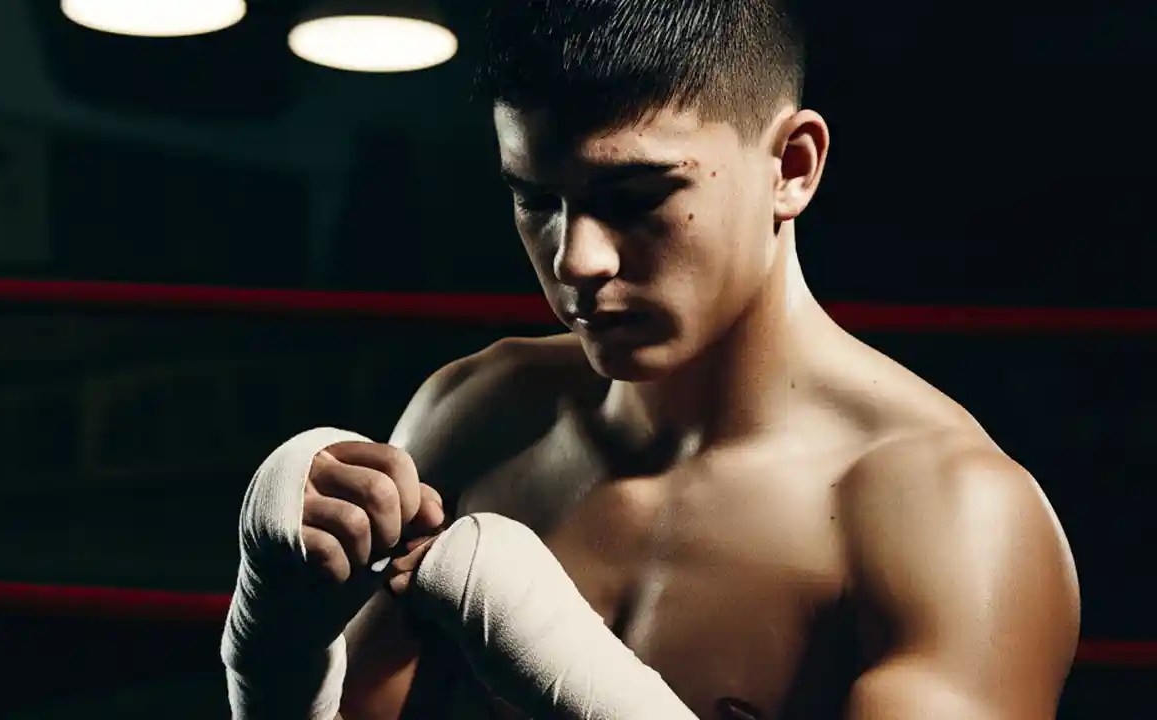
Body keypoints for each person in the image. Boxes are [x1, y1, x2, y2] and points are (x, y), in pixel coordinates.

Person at [221, 1, 1081, 718]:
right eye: (535, 200)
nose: (575, 261)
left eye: (635, 199)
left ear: (792, 166)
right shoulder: (473, 416)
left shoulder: (951, 516)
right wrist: (274, 649)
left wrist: (563, 661)